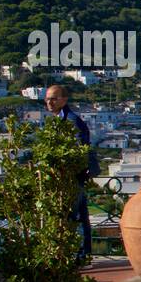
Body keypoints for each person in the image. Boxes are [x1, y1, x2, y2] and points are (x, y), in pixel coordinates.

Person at [44, 85, 94, 261]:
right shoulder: (59, 120)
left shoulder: (71, 120)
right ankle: (81, 253)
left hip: (73, 177)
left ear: (64, 100)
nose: (49, 102)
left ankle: (80, 255)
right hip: (68, 176)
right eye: (48, 98)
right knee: (77, 214)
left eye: (54, 98)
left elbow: (81, 150)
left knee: (75, 216)